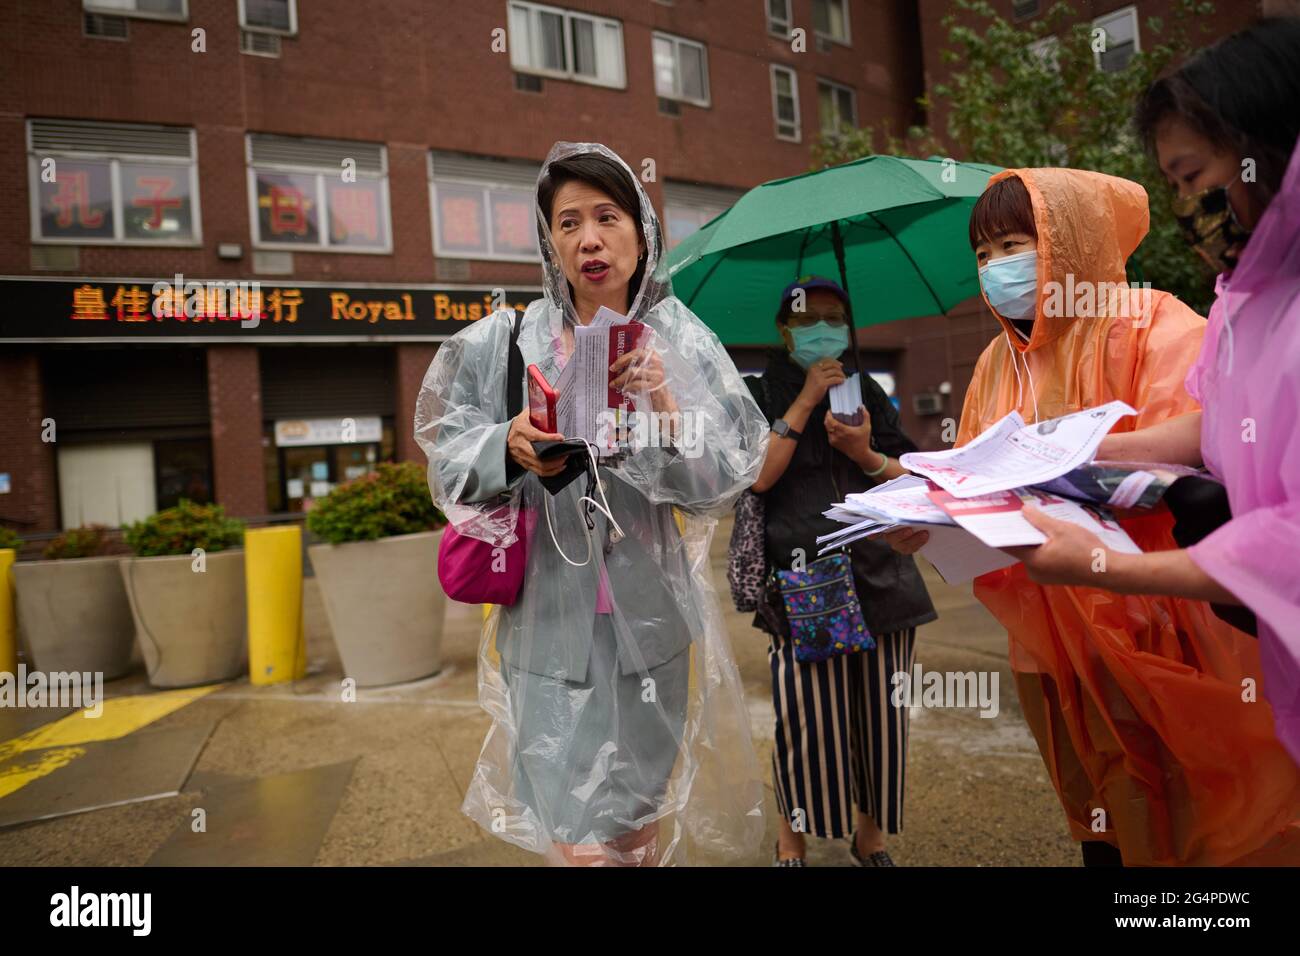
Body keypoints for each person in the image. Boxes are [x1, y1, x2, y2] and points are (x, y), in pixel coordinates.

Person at [887, 162, 1300, 866]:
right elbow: (982, 487)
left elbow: (1215, 448)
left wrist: (1067, 457)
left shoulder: (1151, 321)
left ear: (1069, 240)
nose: (995, 269)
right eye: (983, 256)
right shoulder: (996, 363)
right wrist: (931, 522)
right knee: (1106, 810)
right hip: (1059, 637)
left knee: (1203, 805)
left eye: (1015, 245)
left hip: (1168, 618)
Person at [415, 142, 769, 866]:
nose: (589, 238)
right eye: (568, 222)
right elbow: (444, 464)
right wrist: (501, 445)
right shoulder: (505, 345)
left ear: (643, 236)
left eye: (607, 217)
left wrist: (666, 405)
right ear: (551, 242)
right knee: (578, 847)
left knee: (636, 832)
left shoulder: (683, 344)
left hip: (652, 633)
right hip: (547, 632)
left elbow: (721, 486)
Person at [1000, 19, 1300, 769]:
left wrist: (1110, 568)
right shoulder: (1245, 299)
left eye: (1194, 177)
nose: (1185, 204)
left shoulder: (1157, 318)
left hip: (1185, 633)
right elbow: (1228, 426)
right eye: (1170, 185)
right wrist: (1071, 450)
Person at [745, 276, 936, 866]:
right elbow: (757, 476)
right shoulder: (761, 391)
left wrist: (863, 453)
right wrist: (804, 400)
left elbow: (910, 475)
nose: (823, 327)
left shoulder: (869, 394)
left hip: (882, 576)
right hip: (805, 584)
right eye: (808, 319)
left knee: (880, 719)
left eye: (835, 317)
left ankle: (870, 835)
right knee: (806, 721)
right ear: (785, 329)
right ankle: (791, 838)